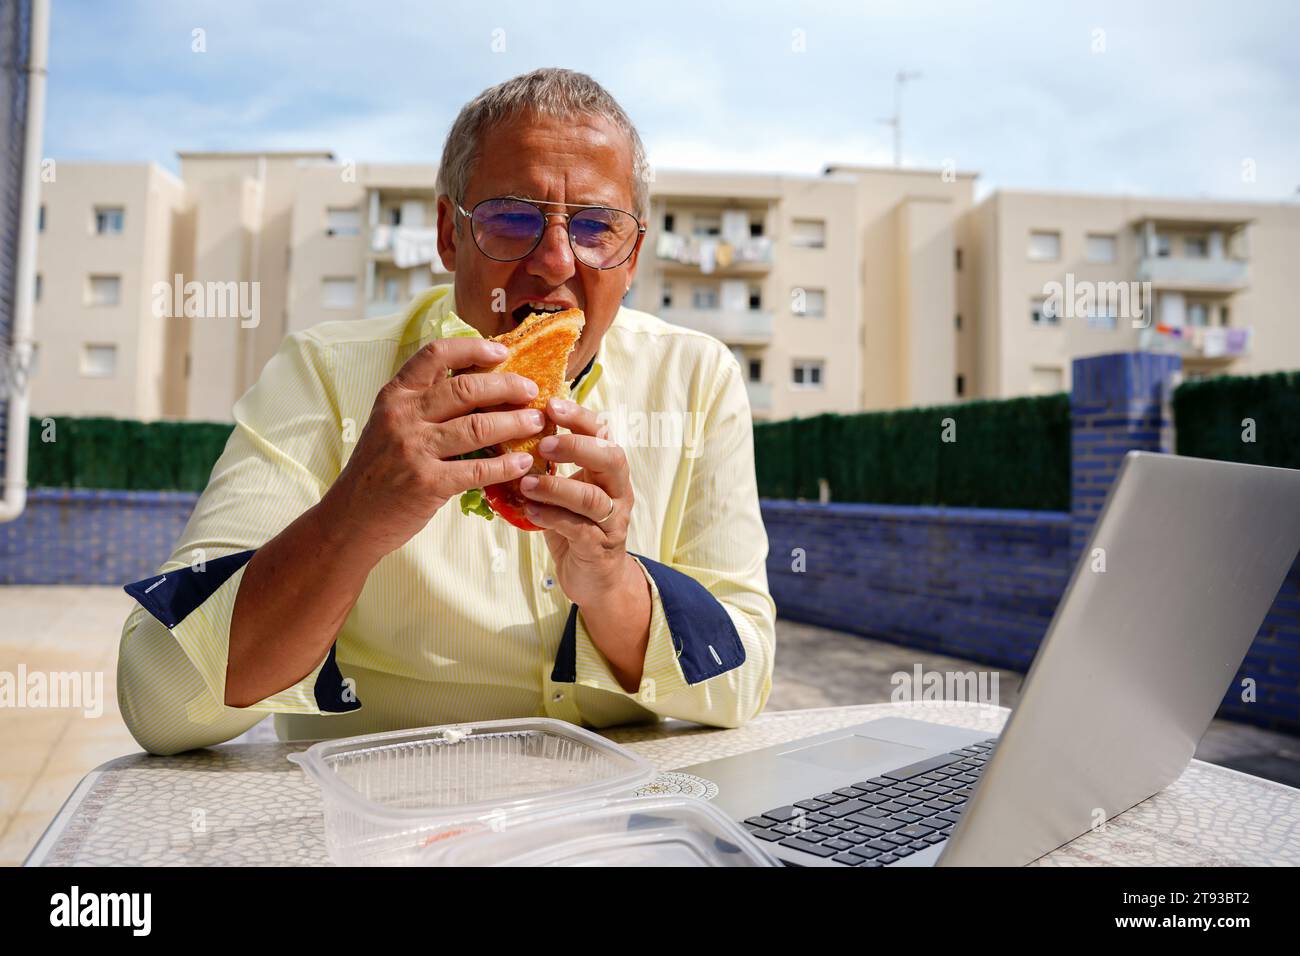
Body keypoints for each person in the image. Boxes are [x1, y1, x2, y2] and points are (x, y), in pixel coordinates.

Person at [117, 68, 775, 755]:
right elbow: (160, 704)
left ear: (632, 254)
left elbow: (745, 677)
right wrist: (357, 516)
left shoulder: (698, 379)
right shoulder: (324, 374)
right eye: (512, 218)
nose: (553, 260)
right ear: (448, 236)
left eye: (595, 226)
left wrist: (614, 586)